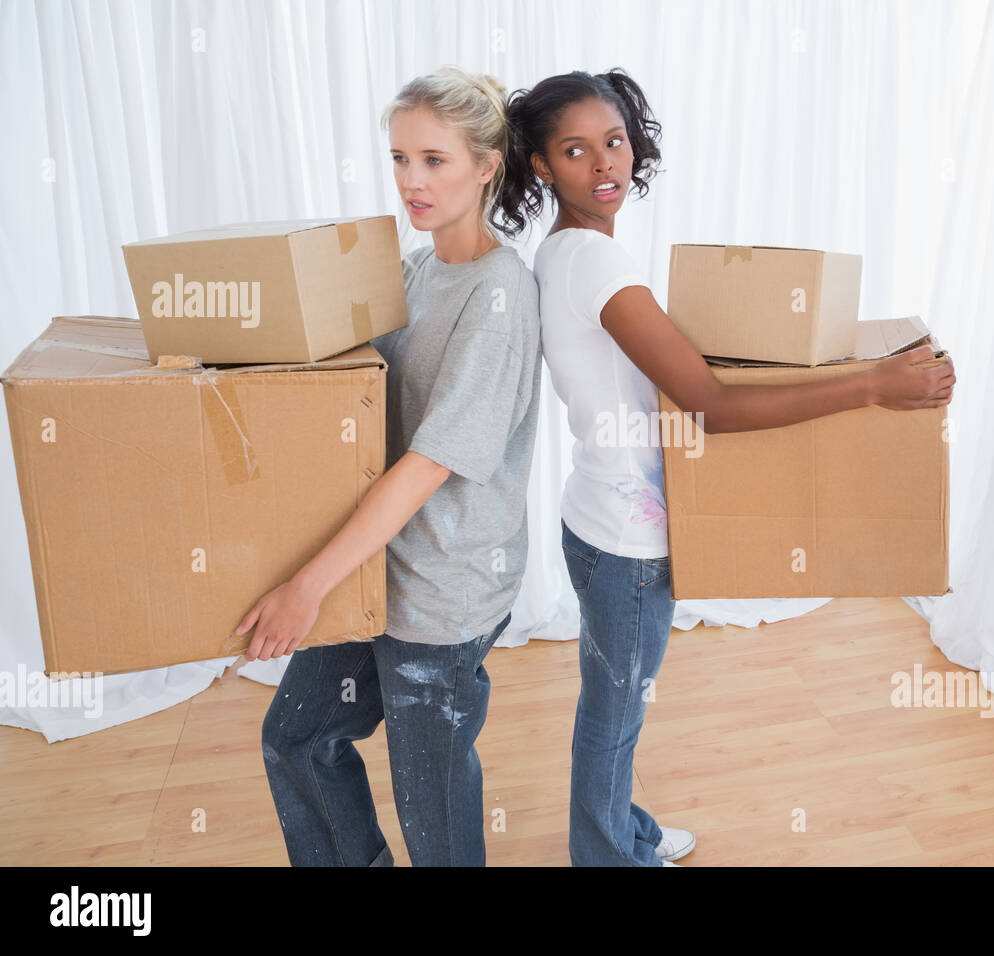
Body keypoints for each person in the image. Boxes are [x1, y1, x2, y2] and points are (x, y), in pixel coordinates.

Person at [494, 68, 955, 866]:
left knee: (620, 705)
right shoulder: (597, 266)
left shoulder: (572, 251)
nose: (605, 164)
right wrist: (876, 383)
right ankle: (607, 855)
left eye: (615, 141)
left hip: (601, 519)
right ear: (541, 165)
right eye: (576, 151)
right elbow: (709, 403)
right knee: (615, 713)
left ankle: (624, 831)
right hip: (625, 541)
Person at [240, 67, 542, 866]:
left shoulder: (500, 297)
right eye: (400, 158)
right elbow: (348, 392)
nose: (412, 180)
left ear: (486, 165)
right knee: (298, 740)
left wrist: (305, 587)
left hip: (441, 592)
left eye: (435, 160)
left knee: (431, 810)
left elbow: (427, 465)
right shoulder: (417, 271)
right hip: (376, 567)